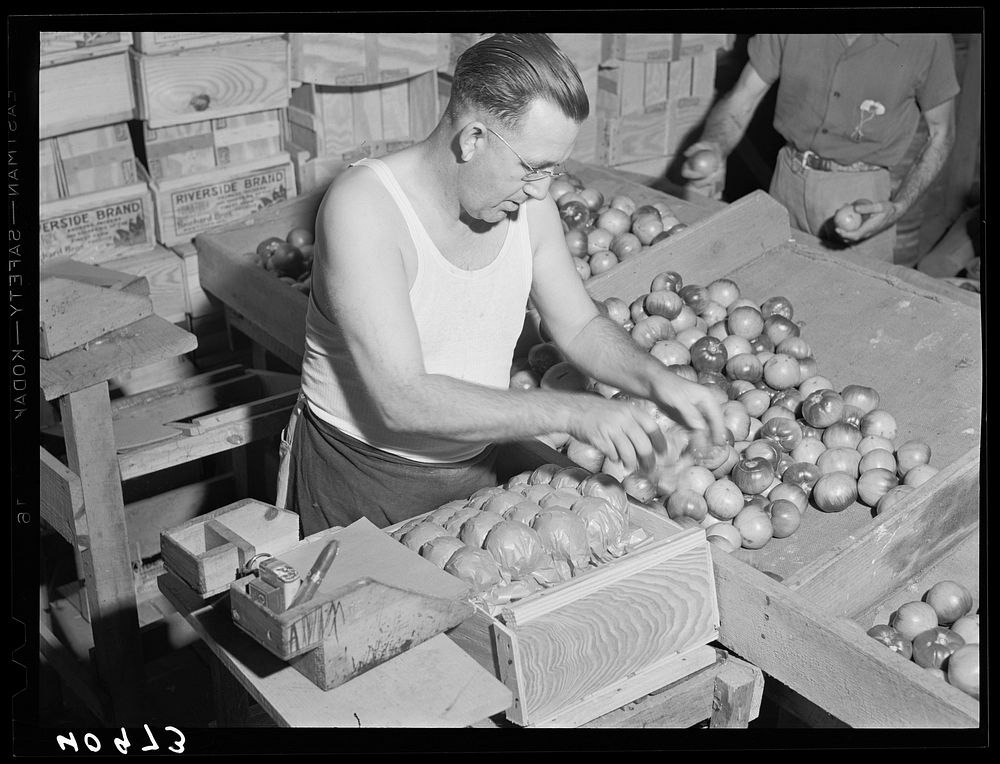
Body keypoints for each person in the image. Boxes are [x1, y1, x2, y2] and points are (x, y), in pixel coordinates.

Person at [281, 33, 727, 535]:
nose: (543, 188)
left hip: (473, 471)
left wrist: (656, 380)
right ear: (473, 138)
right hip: (357, 479)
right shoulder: (366, 209)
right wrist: (574, 412)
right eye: (532, 167)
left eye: (554, 169)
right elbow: (402, 397)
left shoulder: (531, 208)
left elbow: (579, 326)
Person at [682, 34, 958, 263]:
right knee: (773, 282)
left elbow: (941, 134)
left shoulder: (927, 40)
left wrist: (899, 207)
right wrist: (714, 144)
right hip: (786, 179)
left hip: (859, 196)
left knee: (854, 300)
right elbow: (744, 96)